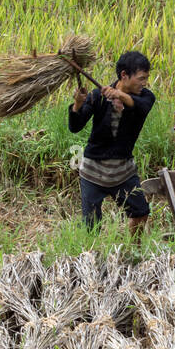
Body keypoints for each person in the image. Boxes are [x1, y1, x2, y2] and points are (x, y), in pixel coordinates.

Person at [68, 50, 156, 240]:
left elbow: (140, 106)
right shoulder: (98, 96)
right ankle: (92, 260)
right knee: (91, 224)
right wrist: (77, 105)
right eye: (141, 78)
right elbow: (75, 126)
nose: (144, 83)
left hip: (123, 172)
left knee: (141, 212)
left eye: (146, 78)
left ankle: (134, 250)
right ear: (124, 75)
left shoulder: (146, 97)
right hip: (93, 171)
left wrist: (119, 95)